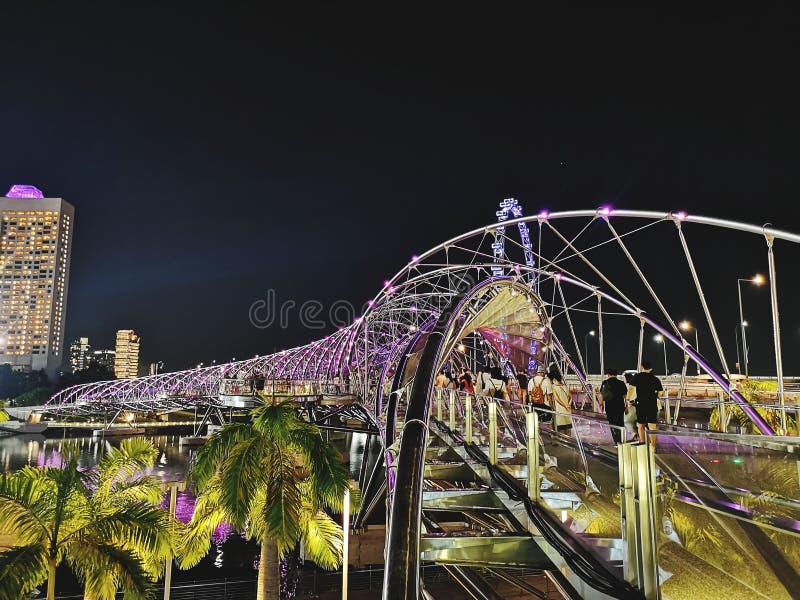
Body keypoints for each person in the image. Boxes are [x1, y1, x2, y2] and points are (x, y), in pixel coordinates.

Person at [627, 359, 663, 449]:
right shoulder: (655, 379)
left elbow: (631, 389)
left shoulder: (637, 377)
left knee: (641, 425)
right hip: (652, 404)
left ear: (642, 366)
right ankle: (653, 446)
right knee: (652, 426)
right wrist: (655, 395)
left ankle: (642, 444)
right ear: (651, 368)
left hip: (641, 404)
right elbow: (660, 393)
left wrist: (628, 400)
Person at [599, 368, 628, 444]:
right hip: (620, 406)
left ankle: (616, 441)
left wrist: (601, 405)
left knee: (612, 423)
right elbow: (626, 397)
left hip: (609, 406)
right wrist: (627, 407)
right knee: (620, 423)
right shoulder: (621, 383)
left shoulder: (605, 383)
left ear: (608, 374)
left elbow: (601, 395)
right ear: (616, 375)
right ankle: (621, 440)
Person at [550, 370, 572, 434]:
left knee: (561, 429)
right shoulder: (565, 386)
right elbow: (571, 397)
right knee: (568, 428)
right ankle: (568, 442)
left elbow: (557, 399)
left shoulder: (554, 387)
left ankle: (562, 443)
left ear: (554, 379)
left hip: (560, 410)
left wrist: (565, 406)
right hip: (568, 411)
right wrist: (568, 405)